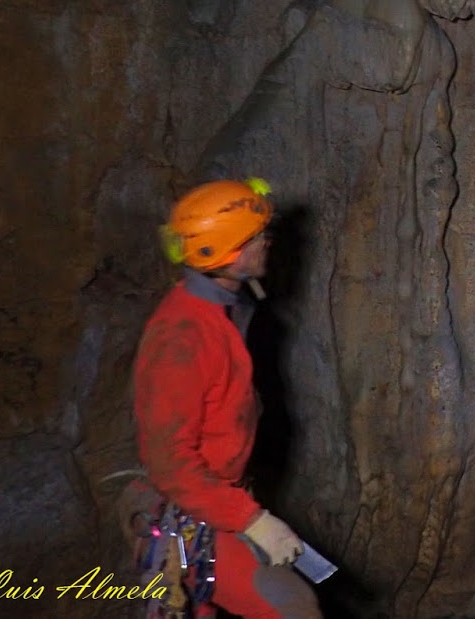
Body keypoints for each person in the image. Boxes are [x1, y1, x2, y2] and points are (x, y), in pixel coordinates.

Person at [132, 178, 321, 619]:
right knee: (293, 609)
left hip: (217, 500)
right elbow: (170, 464)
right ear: (223, 254)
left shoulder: (222, 313)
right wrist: (253, 521)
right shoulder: (182, 338)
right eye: (255, 237)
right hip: (189, 513)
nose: (266, 242)